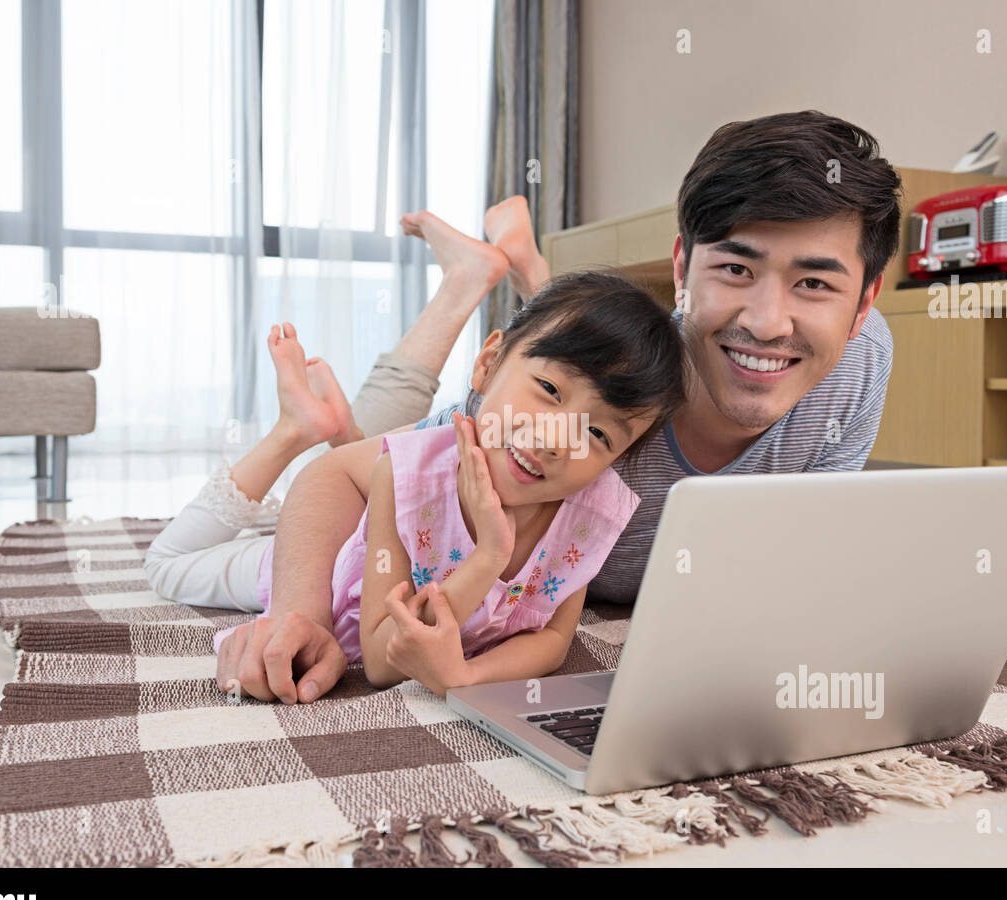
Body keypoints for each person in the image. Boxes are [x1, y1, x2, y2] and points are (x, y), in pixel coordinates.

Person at [216, 108, 902, 705]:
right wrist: (297, 613)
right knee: (374, 433)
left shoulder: (862, 358)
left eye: (814, 283)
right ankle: (468, 283)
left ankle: (525, 269)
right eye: (735, 269)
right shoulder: (539, 437)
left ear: (863, 301)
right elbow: (346, 475)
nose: (770, 321)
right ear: (681, 266)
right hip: (437, 447)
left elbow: (808, 543)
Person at [144, 268, 690, 698]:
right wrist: (489, 557)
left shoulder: (593, 513)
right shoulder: (410, 471)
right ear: (487, 363)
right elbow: (382, 661)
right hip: (331, 574)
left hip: (373, 522)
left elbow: (551, 640)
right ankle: (293, 432)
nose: (556, 438)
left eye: (597, 432)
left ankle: (338, 432)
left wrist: (466, 679)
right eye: (548, 387)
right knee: (166, 565)